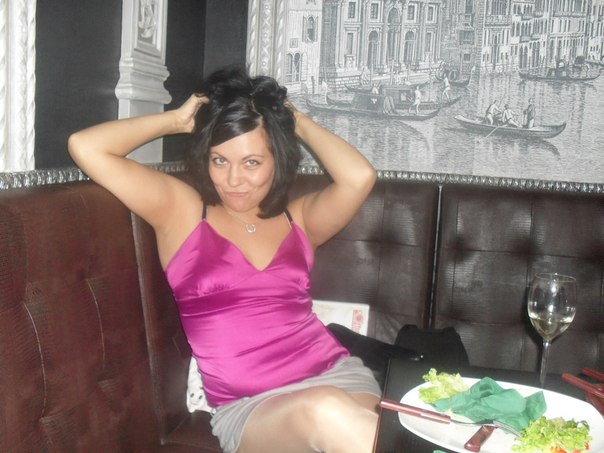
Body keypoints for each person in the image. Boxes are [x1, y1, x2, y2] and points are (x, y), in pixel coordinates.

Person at [67, 67, 380, 453]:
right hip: (251, 407)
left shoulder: (299, 221)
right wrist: (176, 121)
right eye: (220, 161)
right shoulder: (182, 213)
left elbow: (359, 177)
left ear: (277, 160)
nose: (233, 180)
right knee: (326, 413)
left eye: (252, 163)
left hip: (336, 375)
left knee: (344, 418)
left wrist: (291, 119)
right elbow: (86, 147)